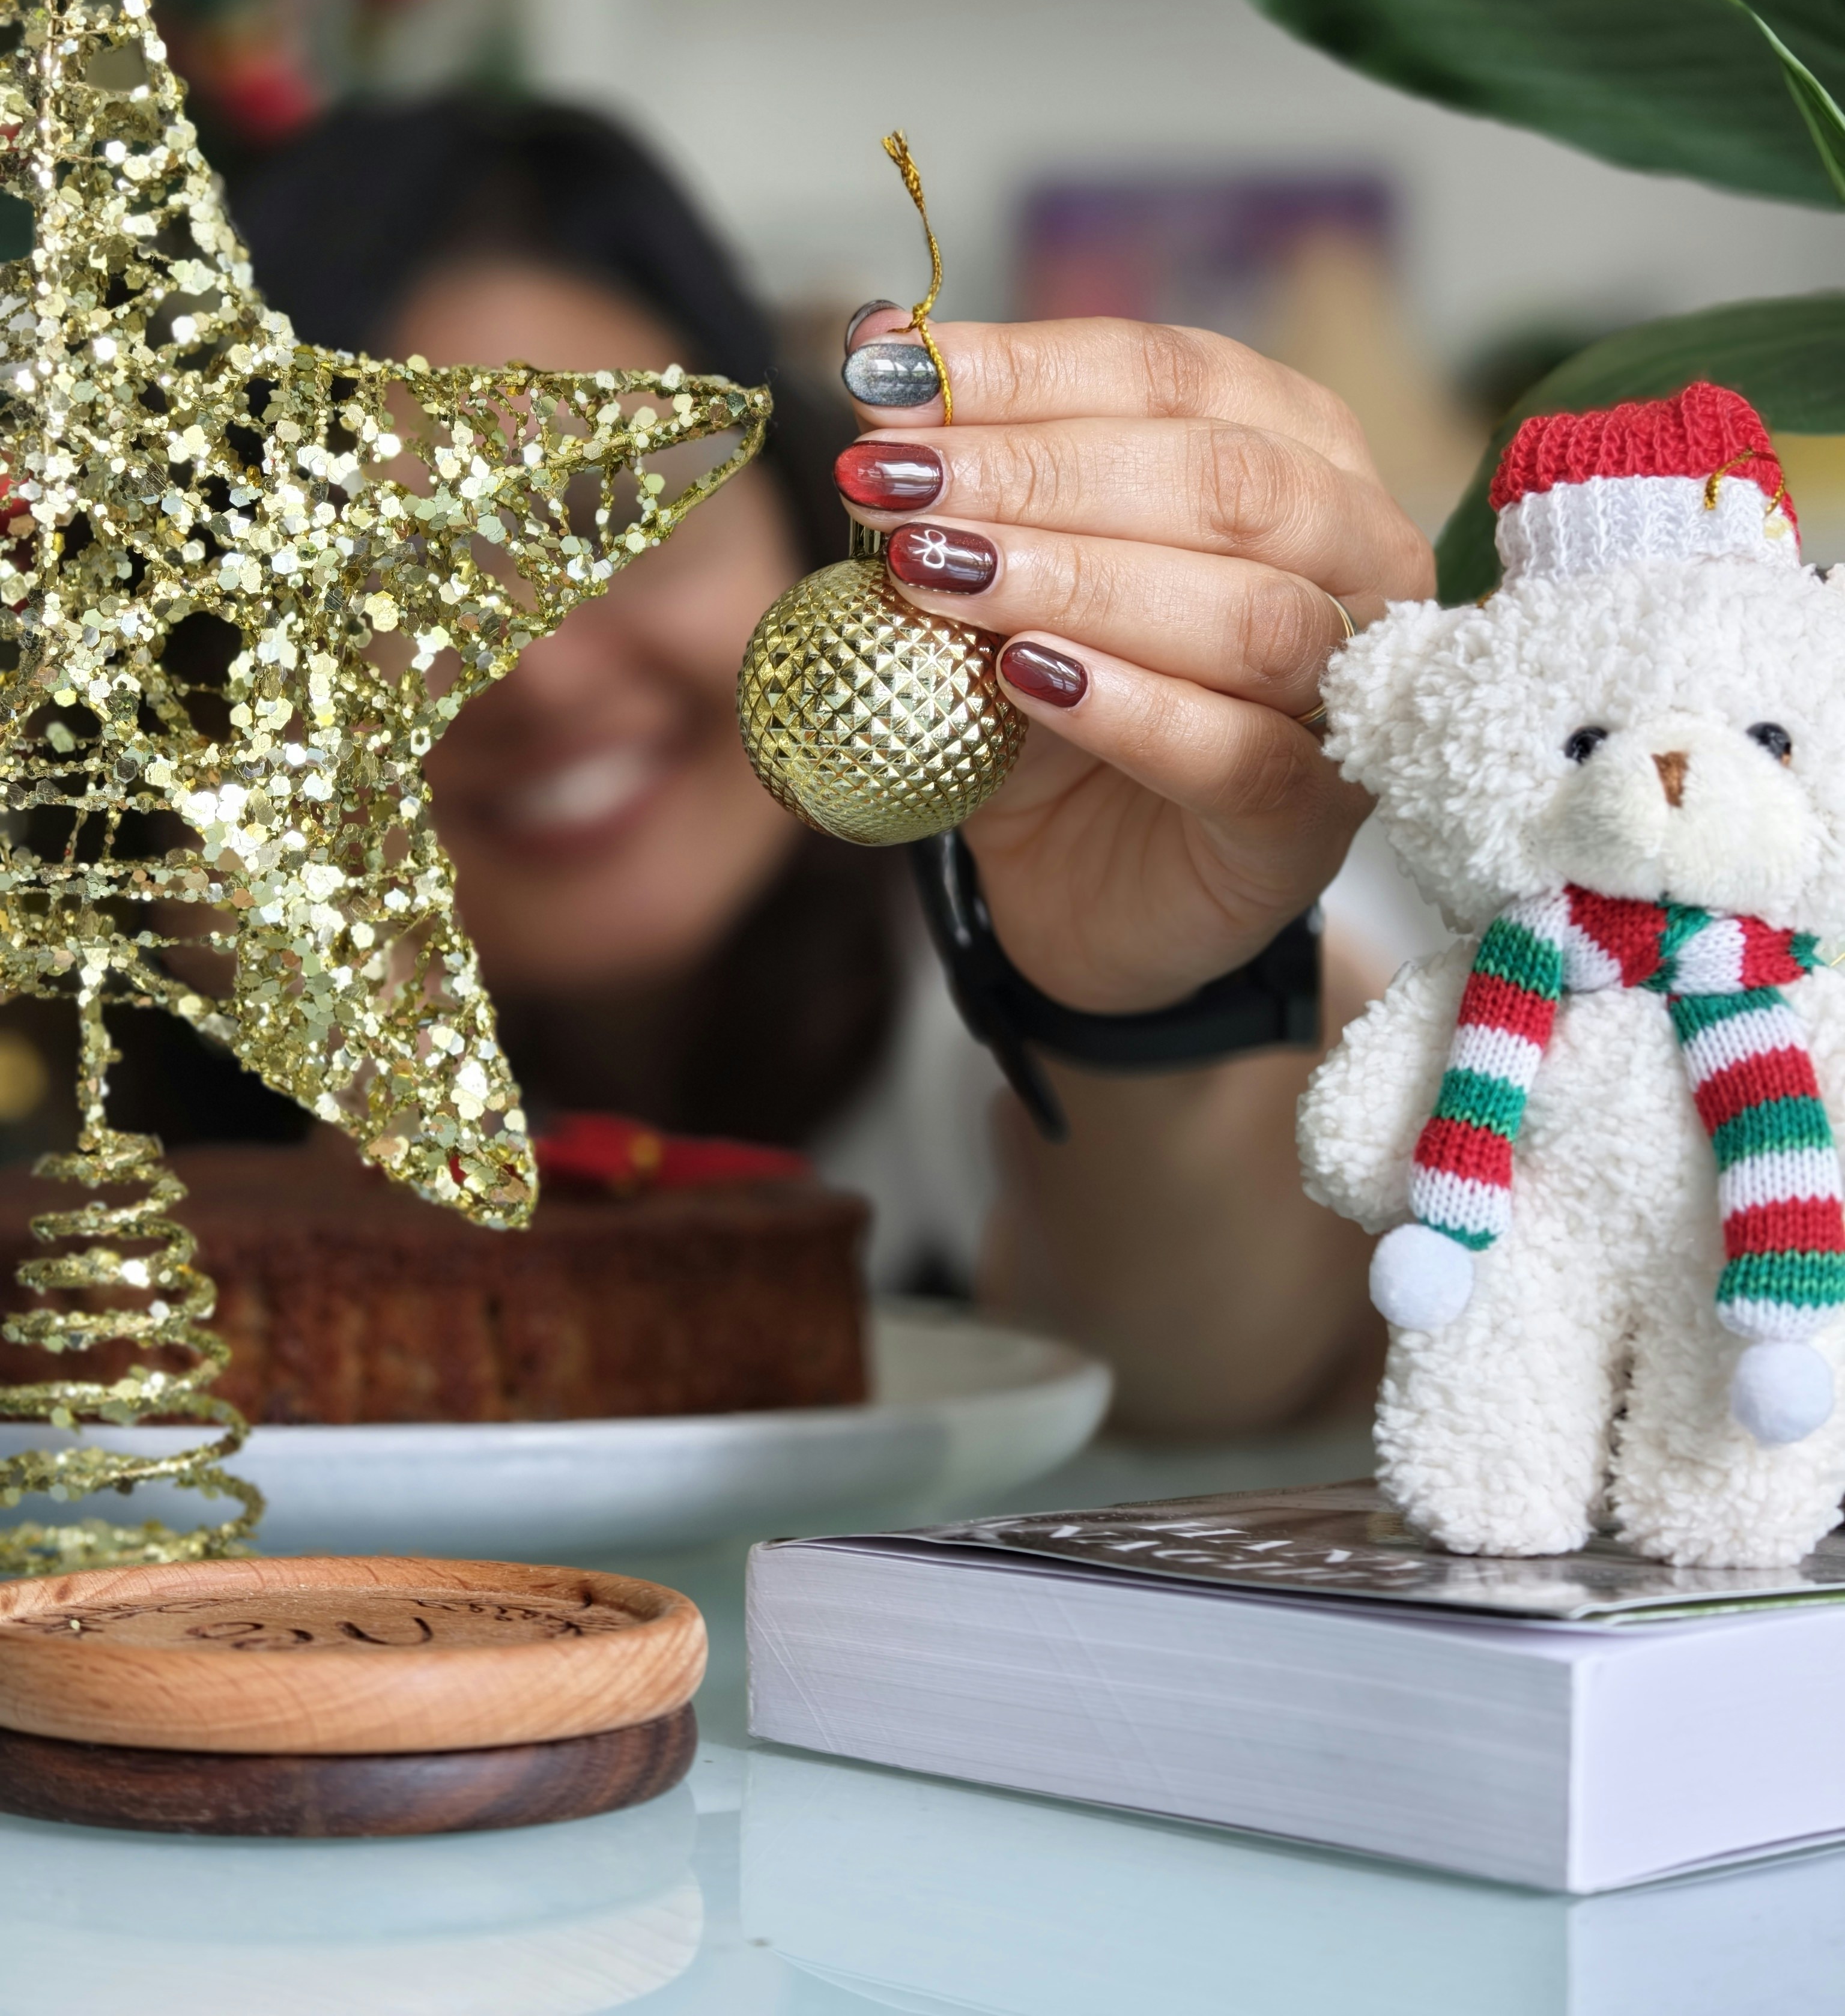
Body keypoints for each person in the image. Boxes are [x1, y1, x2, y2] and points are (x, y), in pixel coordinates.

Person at [145, 94, 1430, 1435]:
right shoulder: (121, 1089)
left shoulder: (1032, 829)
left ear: (793, 504)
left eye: (618, 518)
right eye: (376, 589)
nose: (545, 672)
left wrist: (1151, 998)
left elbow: (1213, 1364)